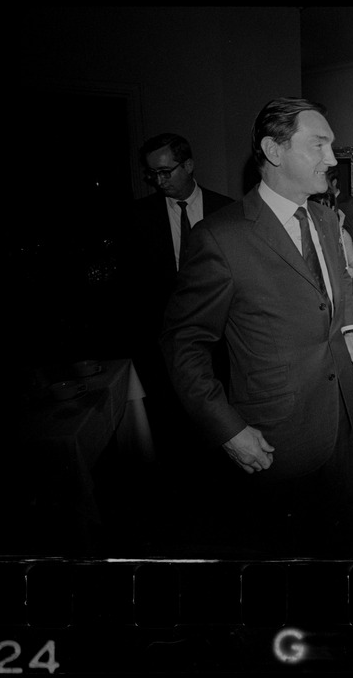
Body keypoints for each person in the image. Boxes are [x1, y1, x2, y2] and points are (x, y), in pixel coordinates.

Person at [160, 98, 353, 554]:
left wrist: (347, 333)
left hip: (340, 419)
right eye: (319, 145)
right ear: (273, 150)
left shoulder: (327, 218)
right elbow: (183, 344)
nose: (332, 159)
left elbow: (339, 286)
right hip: (275, 437)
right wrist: (228, 430)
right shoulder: (220, 236)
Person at [125, 133, 234, 464]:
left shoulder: (227, 211)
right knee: (174, 439)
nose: (157, 181)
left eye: (165, 171)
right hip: (163, 346)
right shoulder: (137, 217)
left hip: (221, 346)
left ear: (188, 165)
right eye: (152, 174)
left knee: (222, 432)